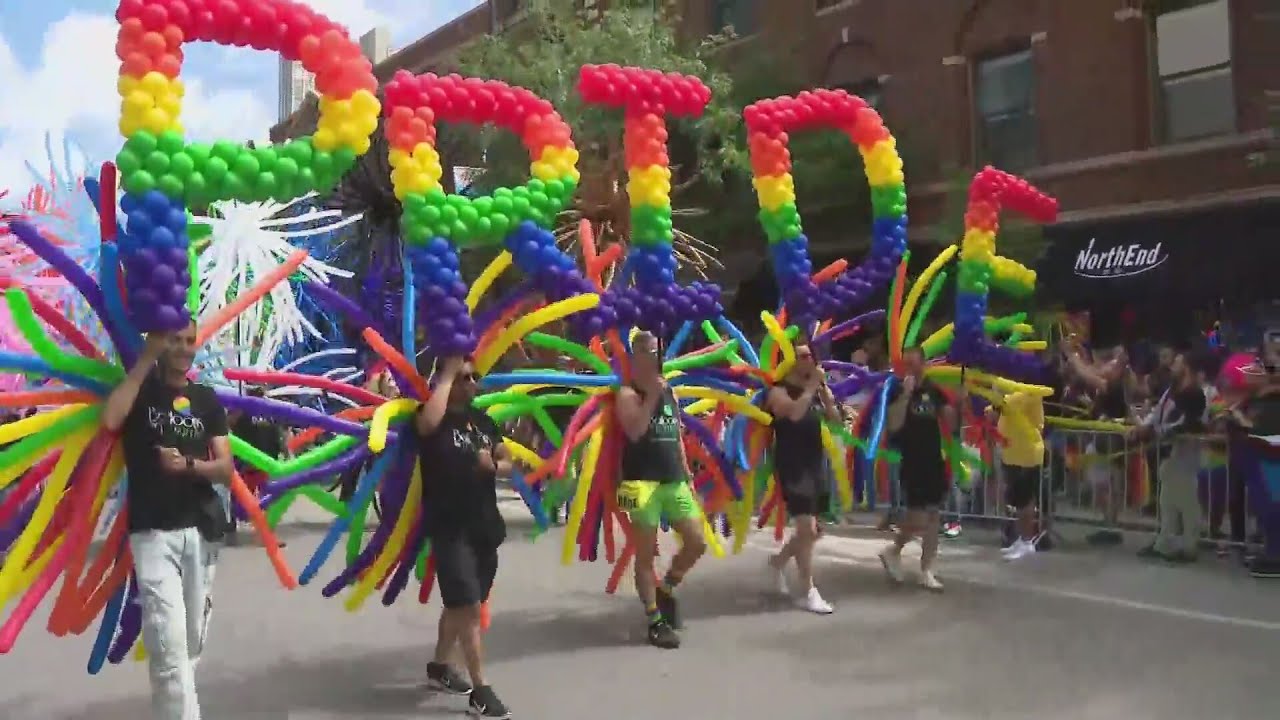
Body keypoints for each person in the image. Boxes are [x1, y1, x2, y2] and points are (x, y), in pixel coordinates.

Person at [101, 324, 233, 720]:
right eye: (174, 340)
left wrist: (189, 464)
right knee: (169, 648)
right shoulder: (139, 392)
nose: (183, 348)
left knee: (187, 647)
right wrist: (146, 357)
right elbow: (110, 419)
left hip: (201, 532)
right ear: (161, 342)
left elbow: (225, 468)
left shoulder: (206, 399)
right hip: (153, 534)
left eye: (190, 340)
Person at [417, 355, 514, 718]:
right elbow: (426, 425)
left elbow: (506, 458)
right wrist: (446, 372)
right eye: (464, 378)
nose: (473, 383)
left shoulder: (483, 421)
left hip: (485, 526)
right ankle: (481, 689)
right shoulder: (433, 418)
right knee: (468, 606)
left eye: (475, 377)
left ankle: (440, 666)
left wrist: (497, 465)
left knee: (460, 605)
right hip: (450, 526)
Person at [615, 331, 706, 649]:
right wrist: (651, 396)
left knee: (697, 542)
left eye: (655, 350)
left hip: (673, 478)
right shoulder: (627, 393)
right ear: (634, 355)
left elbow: (677, 434)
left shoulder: (669, 390)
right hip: (638, 482)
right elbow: (635, 431)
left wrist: (688, 475)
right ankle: (654, 621)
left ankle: (665, 589)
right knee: (645, 555)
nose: (651, 356)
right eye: (644, 351)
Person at [765, 339, 842, 614]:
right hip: (792, 464)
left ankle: (777, 562)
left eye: (810, 355)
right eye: (802, 356)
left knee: (814, 531)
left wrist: (827, 397)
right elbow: (794, 414)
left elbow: (836, 422)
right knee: (807, 529)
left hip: (815, 463)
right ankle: (809, 591)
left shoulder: (816, 391)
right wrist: (811, 388)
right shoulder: (777, 391)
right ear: (789, 361)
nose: (808, 360)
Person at [878, 346, 959, 592]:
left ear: (923, 364)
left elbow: (950, 423)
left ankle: (926, 569)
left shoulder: (933, 390)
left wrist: (957, 405)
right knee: (918, 517)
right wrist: (905, 394)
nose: (909, 369)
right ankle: (894, 549)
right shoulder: (896, 390)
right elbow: (893, 424)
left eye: (913, 363)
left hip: (933, 458)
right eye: (906, 364)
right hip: (911, 460)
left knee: (933, 516)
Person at [1133, 351, 1207, 563]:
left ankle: (1189, 546)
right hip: (1169, 453)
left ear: (1187, 367)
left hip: (1184, 454)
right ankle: (1164, 543)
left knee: (1187, 501)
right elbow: (1158, 413)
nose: (1173, 365)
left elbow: (1186, 423)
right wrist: (1145, 427)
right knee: (1167, 501)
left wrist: (1160, 432)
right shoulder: (1172, 390)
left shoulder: (1194, 394)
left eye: (1177, 362)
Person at [1065, 341, 1131, 545]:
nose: (1106, 368)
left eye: (1112, 365)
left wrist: (1072, 356)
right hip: (1107, 439)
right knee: (1106, 484)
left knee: (1107, 484)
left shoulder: (1113, 386)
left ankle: (1110, 525)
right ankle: (1109, 524)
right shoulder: (1113, 385)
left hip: (1109, 440)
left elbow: (1087, 374)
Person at [987, 388, 1046, 561]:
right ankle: (1021, 539)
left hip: (1027, 453)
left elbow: (1008, 405)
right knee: (1018, 500)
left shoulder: (1030, 393)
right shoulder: (1010, 395)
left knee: (1025, 500)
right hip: (1012, 452)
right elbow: (995, 411)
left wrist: (998, 400)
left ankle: (1027, 542)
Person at [226, 386, 288, 547]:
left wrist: (285, 450)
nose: (261, 391)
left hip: (268, 462)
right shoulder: (241, 408)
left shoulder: (270, 409)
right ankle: (229, 527)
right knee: (241, 499)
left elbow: (278, 432)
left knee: (267, 501)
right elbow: (227, 424)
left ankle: (265, 536)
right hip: (246, 463)